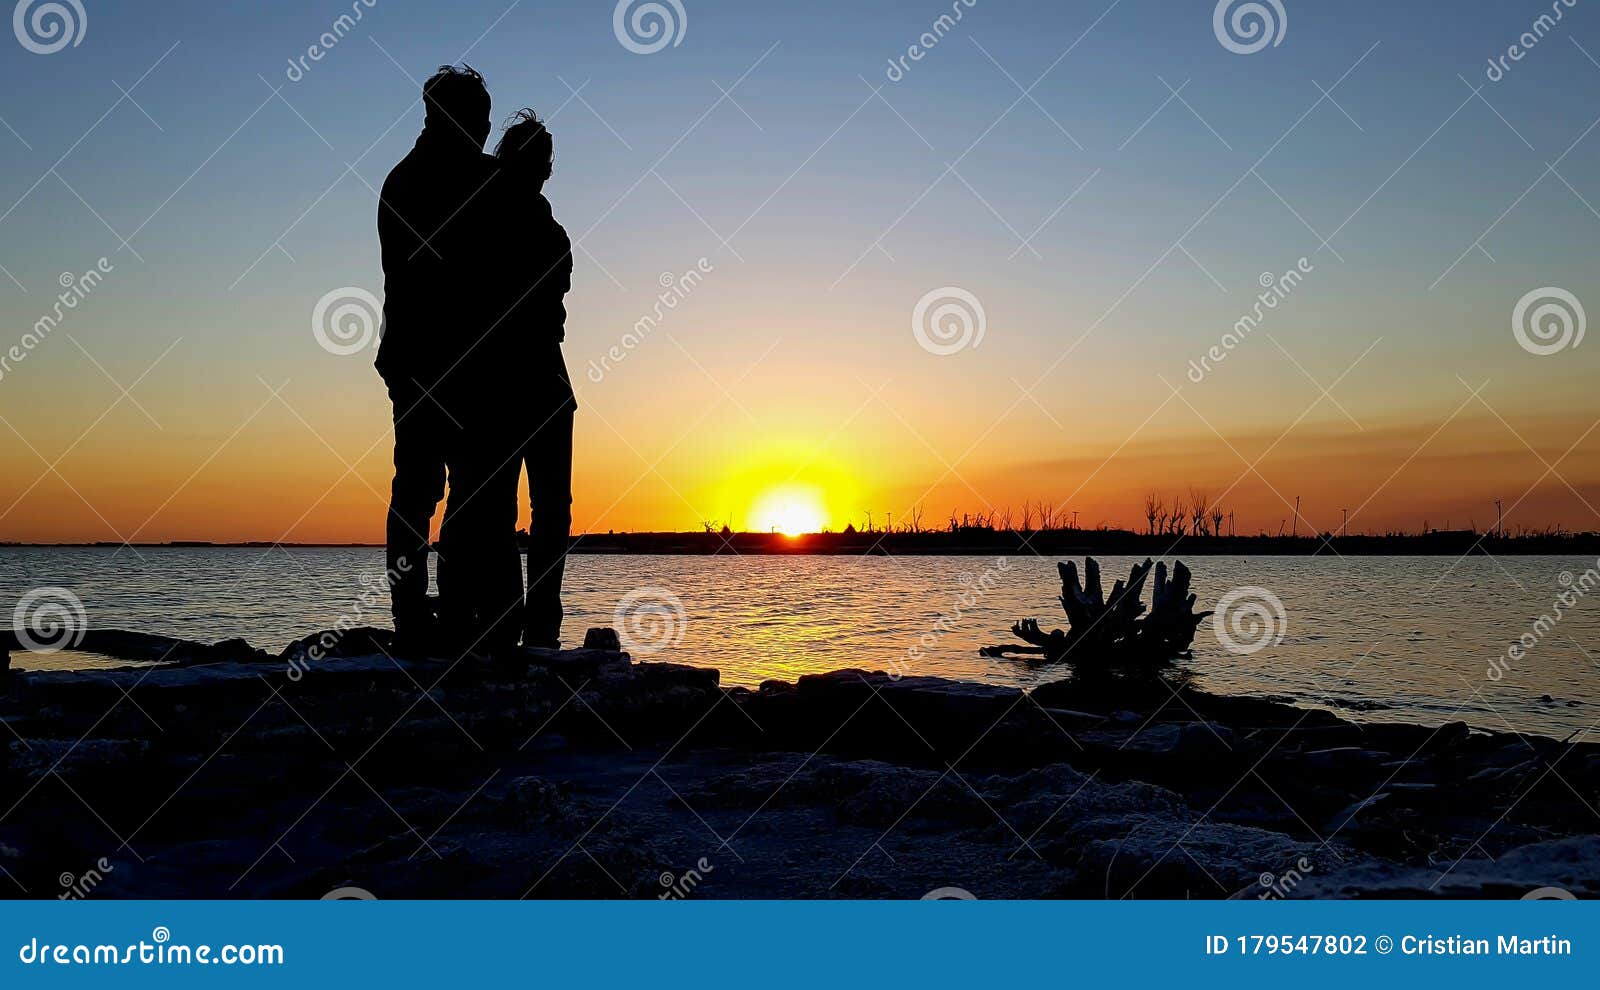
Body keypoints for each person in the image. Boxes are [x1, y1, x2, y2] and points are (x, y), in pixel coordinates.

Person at [375, 64, 498, 655]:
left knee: (452, 490)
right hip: (430, 359)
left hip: (443, 358)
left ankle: (442, 617)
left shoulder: (424, 177)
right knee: (428, 490)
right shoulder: (421, 181)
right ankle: (421, 620)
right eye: (480, 119)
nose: (486, 129)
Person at [487, 108, 575, 649]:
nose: (544, 170)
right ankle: (509, 622)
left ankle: (538, 624)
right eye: (538, 160)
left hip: (543, 382)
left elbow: (552, 306)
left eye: (547, 162)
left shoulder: (545, 228)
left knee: (547, 510)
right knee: (501, 505)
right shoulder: (495, 220)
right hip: (510, 381)